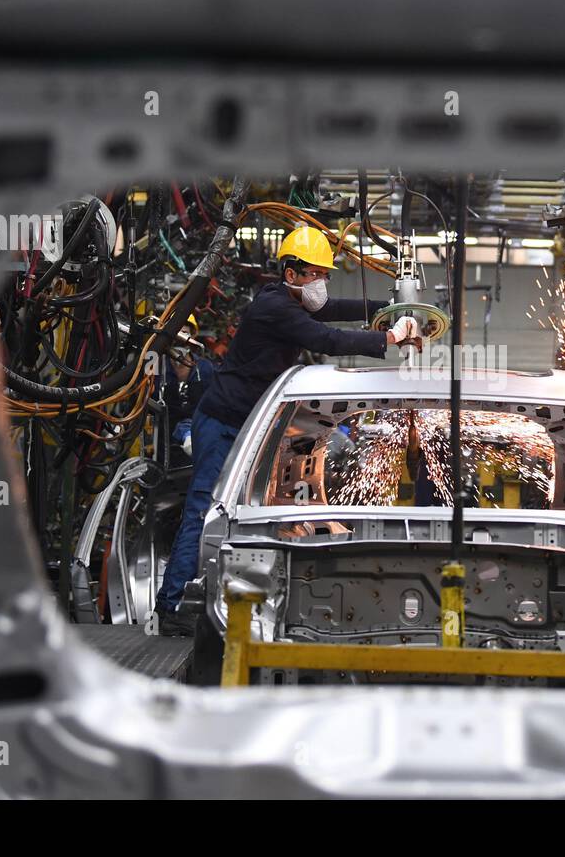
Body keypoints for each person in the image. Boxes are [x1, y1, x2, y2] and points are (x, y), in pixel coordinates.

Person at [153, 226, 421, 636]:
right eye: (316, 274)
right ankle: (171, 606)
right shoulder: (274, 308)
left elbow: (331, 311)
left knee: (248, 513)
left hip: (248, 426)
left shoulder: (292, 300)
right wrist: (388, 335)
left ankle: (225, 598)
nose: (323, 283)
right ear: (291, 274)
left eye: (325, 274)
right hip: (223, 422)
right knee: (203, 510)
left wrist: (387, 307)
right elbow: (326, 338)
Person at [158, 314, 214, 457]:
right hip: (161, 443)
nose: (179, 339)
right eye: (175, 333)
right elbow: (139, 397)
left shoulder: (205, 368)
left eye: (184, 333)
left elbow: (215, 405)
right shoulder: (155, 365)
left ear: (192, 336)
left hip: (196, 441)